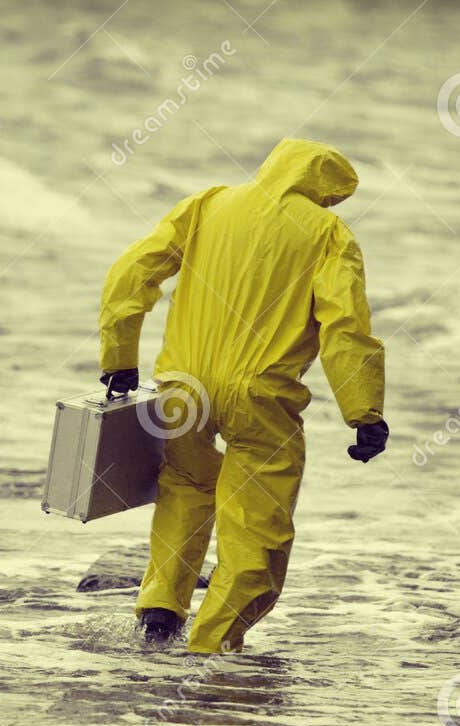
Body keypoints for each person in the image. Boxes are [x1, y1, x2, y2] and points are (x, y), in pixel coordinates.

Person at [97, 138, 388, 653]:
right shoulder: (328, 234)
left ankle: (161, 611)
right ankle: (212, 646)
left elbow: (132, 272)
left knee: (185, 487)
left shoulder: (209, 204)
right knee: (257, 523)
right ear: (325, 189)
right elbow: (345, 325)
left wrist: (119, 360)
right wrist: (363, 411)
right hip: (260, 394)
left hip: (182, 386)